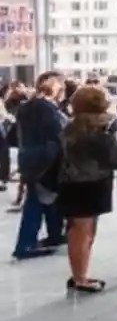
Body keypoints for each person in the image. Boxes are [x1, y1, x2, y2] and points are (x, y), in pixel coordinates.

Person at [58, 83, 117, 293]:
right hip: (96, 182)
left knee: (76, 230)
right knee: (85, 231)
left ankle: (79, 273)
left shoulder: (69, 125)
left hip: (70, 181)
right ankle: (80, 278)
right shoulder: (106, 127)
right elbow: (112, 157)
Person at [12, 72, 67, 260]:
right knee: (36, 201)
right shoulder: (45, 108)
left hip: (30, 159)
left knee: (46, 200)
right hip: (45, 162)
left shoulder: (26, 107)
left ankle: (53, 235)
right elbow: (57, 134)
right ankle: (25, 244)